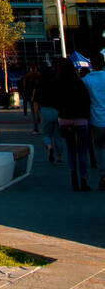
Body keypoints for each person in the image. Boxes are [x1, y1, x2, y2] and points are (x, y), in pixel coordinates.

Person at [55, 57, 91, 191]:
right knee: (82, 150)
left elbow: (56, 102)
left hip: (64, 119)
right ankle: (83, 178)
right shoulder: (79, 83)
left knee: (71, 149)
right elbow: (87, 101)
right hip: (80, 118)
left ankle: (73, 175)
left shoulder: (58, 84)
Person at [83, 51, 105, 191]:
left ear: (91, 64)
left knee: (100, 147)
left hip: (97, 118)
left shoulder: (87, 80)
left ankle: (103, 173)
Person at [33, 63, 63, 165]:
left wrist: (37, 115)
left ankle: (49, 146)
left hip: (45, 110)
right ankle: (59, 156)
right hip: (57, 111)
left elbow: (36, 102)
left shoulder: (39, 85)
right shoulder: (57, 83)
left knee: (46, 134)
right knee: (58, 136)